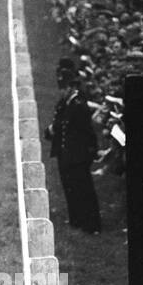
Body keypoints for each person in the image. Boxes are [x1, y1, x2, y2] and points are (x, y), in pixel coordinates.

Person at [44, 59, 102, 234]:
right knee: (71, 188)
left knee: (83, 189)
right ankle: (76, 219)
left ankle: (91, 224)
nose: (61, 91)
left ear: (70, 87)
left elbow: (84, 132)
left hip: (78, 154)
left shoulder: (78, 106)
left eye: (63, 88)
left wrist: (90, 152)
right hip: (67, 153)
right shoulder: (66, 103)